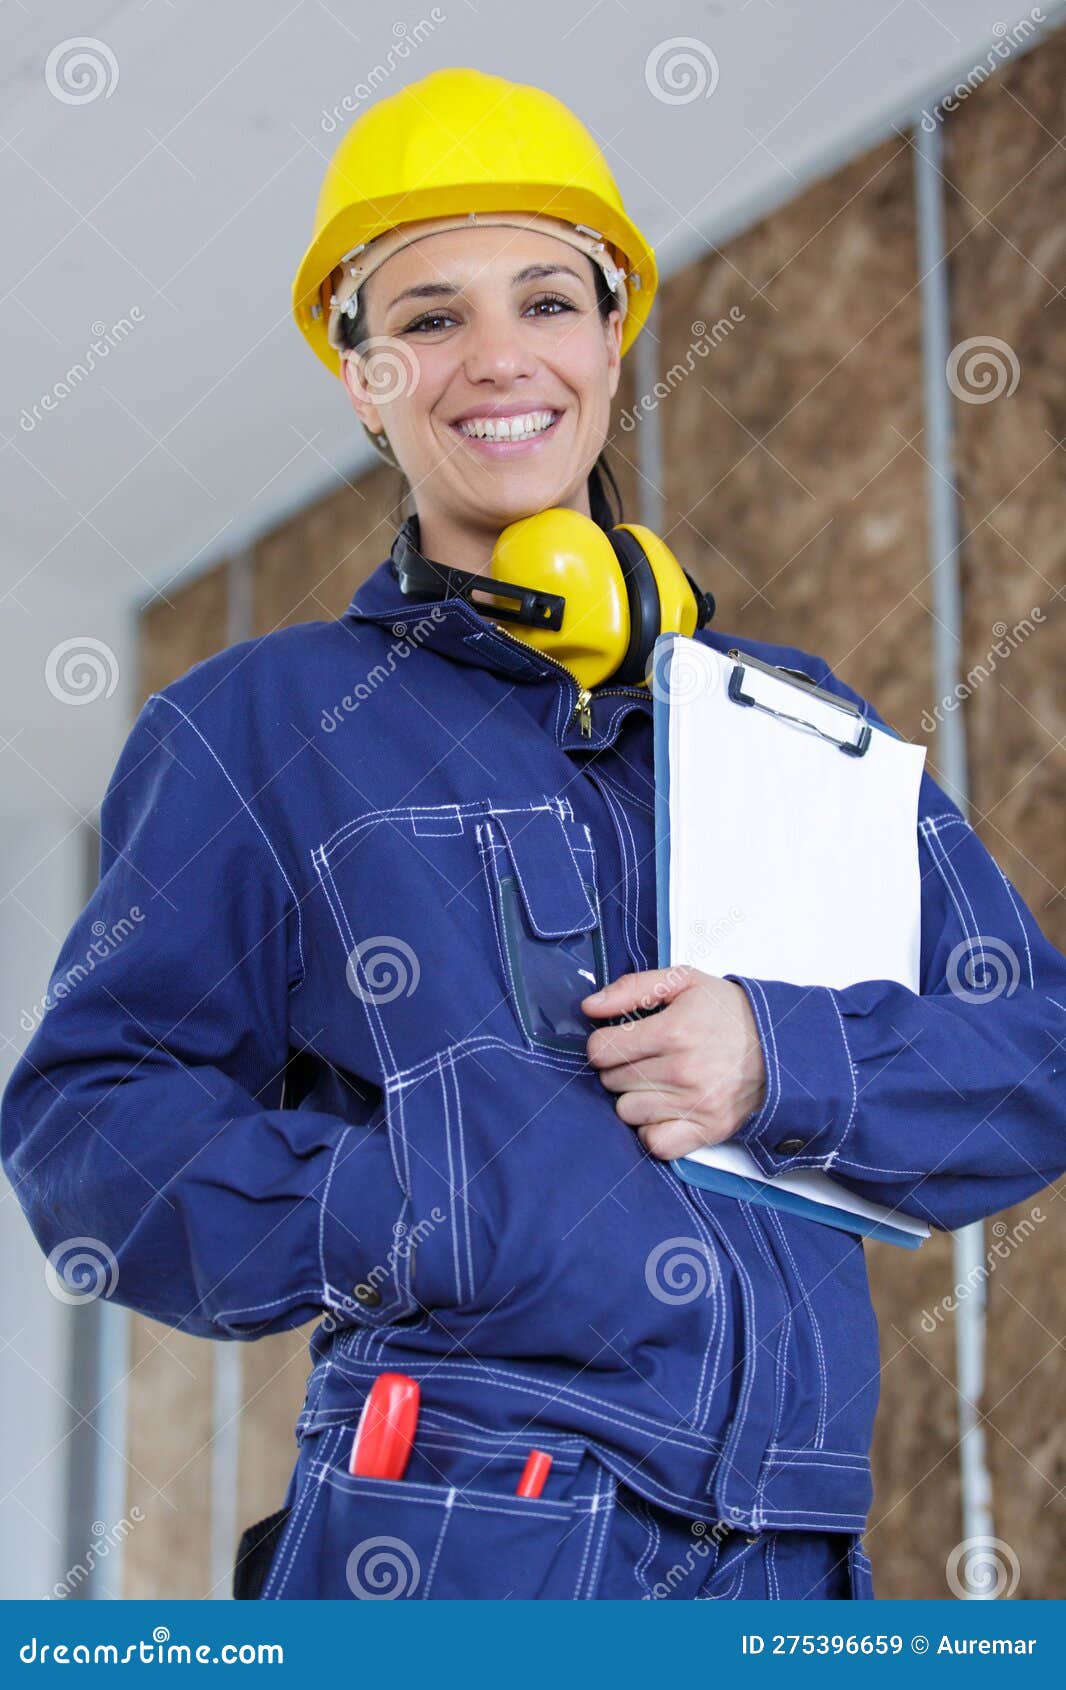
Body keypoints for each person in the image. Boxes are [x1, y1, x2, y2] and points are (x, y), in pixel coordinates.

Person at [3, 66, 1065, 1603]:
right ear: (359, 376)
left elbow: (1030, 1049)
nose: (498, 356)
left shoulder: (791, 722)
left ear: (615, 334)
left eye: (546, 300)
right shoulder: (265, 724)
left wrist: (781, 1059)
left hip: (798, 1557)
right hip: (458, 1529)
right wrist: (410, 1204)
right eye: (429, 317)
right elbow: (85, 1125)